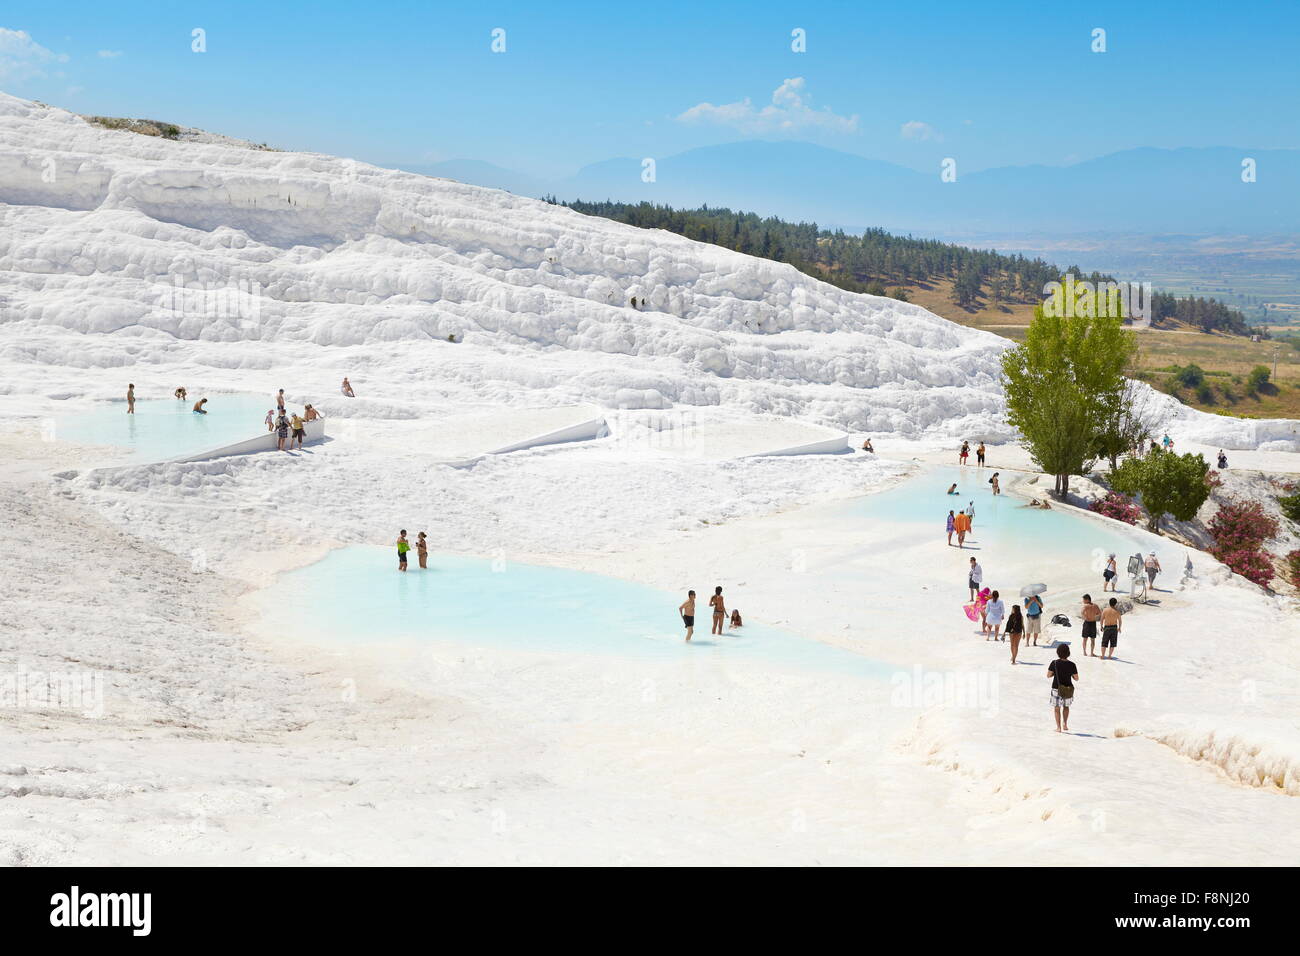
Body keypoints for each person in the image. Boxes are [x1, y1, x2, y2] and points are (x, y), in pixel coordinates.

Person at [1047, 644, 1079, 732]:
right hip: (1068, 688)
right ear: (1068, 653)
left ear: (1058, 653)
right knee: (1066, 707)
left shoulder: (1054, 663)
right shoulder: (1072, 664)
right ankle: (1065, 723)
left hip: (1056, 688)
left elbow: (1048, 675)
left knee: (1057, 708)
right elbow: (1076, 678)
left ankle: (1058, 727)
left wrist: (1055, 673)